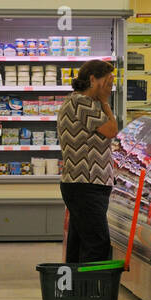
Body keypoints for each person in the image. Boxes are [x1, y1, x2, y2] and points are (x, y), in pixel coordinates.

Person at [56, 60, 119, 263]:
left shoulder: (79, 102)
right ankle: (92, 291)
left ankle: (76, 290)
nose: (110, 86)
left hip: (82, 185)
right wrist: (105, 101)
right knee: (97, 244)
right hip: (86, 186)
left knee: (80, 243)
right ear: (92, 79)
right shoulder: (82, 103)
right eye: (107, 81)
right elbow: (111, 130)